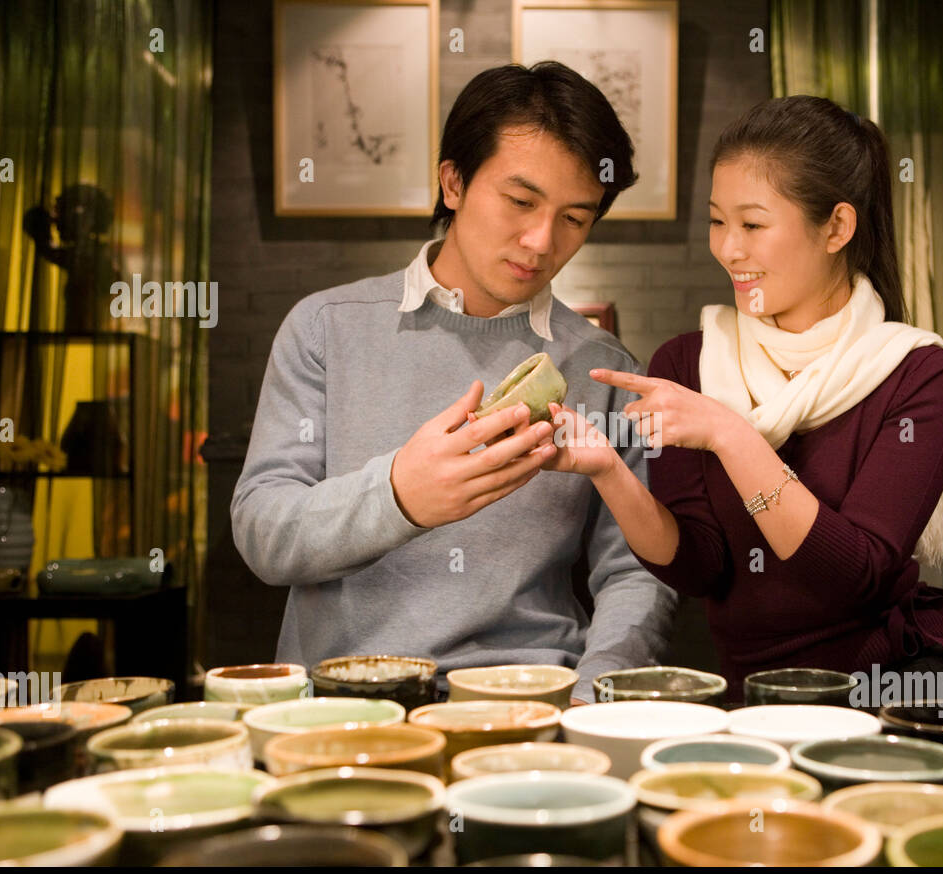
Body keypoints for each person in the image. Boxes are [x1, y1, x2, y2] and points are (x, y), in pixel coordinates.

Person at [231, 62, 678, 705]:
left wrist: (594, 690)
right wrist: (399, 497)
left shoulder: (600, 365)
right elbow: (262, 533)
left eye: (575, 218)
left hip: (531, 698)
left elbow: (638, 570)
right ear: (454, 182)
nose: (541, 241)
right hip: (345, 706)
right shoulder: (326, 328)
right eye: (520, 201)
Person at [542, 96, 943, 703]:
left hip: (887, 693)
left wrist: (731, 435)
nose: (728, 248)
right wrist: (609, 473)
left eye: (752, 224)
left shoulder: (916, 373)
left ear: (836, 227)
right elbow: (701, 567)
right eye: (717, 221)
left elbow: (855, 578)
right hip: (753, 696)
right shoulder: (687, 364)